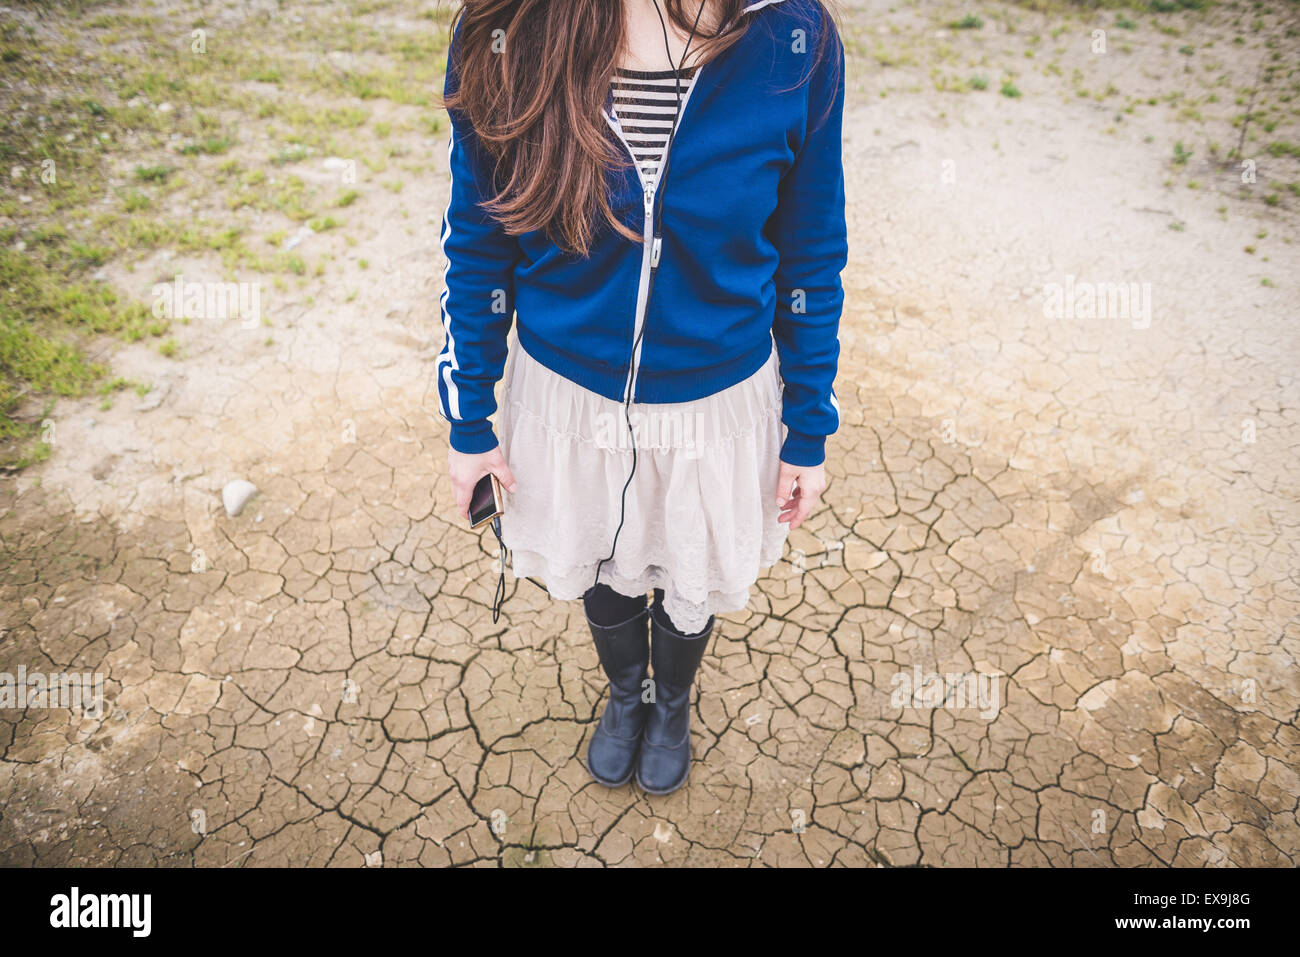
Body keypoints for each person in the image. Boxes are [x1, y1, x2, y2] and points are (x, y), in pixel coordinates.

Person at [438, 0, 847, 795]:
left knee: (691, 563)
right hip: (566, 397)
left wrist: (808, 427)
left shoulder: (795, 38)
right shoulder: (510, 24)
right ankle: (627, 693)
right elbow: (477, 239)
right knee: (600, 551)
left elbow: (811, 249)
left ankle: (672, 699)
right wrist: (469, 420)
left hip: (715, 401)